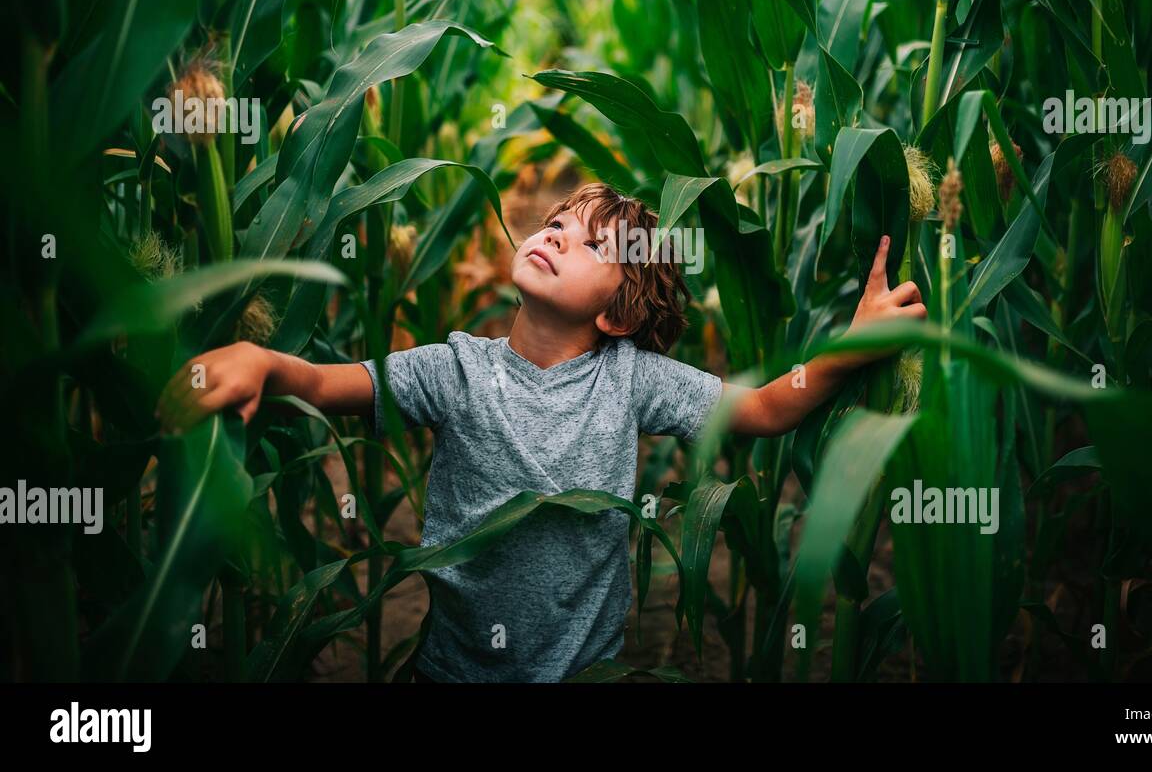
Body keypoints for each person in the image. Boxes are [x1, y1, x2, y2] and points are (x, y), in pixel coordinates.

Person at [155, 183, 927, 681]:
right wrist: (260, 357)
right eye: (557, 222)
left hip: (583, 674)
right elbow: (330, 382)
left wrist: (843, 352)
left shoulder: (630, 379)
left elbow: (761, 408)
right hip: (452, 672)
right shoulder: (457, 368)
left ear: (617, 315)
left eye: (591, 243)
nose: (557, 233)